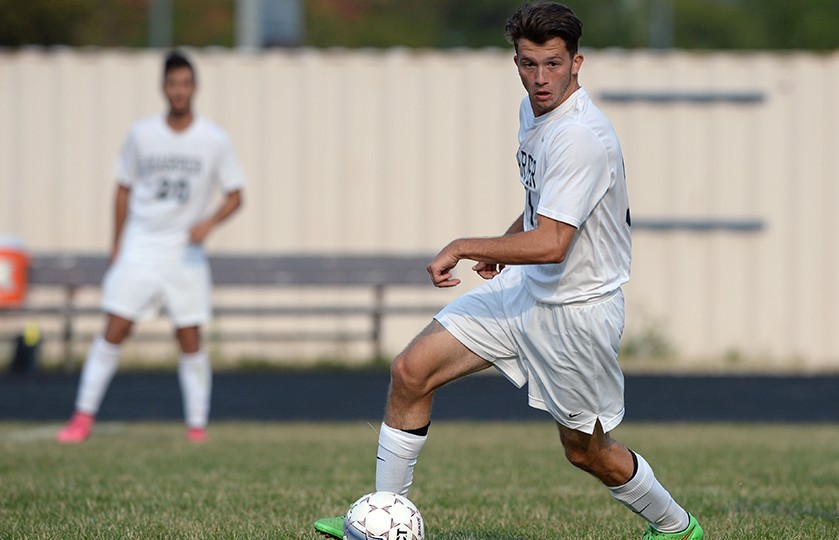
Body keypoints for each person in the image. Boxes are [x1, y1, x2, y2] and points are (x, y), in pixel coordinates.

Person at [314, 3, 703, 539]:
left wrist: (465, 244)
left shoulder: (581, 137)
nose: (540, 78)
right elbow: (542, 207)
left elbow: (553, 243)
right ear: (515, 61)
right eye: (528, 64)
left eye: (552, 64)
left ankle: (676, 526)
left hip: (576, 314)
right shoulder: (533, 112)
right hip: (525, 293)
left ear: (577, 63)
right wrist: (504, 244)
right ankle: (383, 518)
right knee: (410, 371)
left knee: (587, 453)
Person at [55, 50, 245, 444]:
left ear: (195, 88)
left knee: (189, 337)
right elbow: (123, 188)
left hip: (184, 254)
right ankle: (82, 418)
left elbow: (235, 195)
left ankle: (197, 426)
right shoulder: (142, 134)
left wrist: (208, 223)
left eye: (185, 83)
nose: (179, 91)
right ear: (164, 88)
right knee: (114, 329)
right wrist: (117, 244)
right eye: (172, 84)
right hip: (141, 246)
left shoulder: (213, 139)